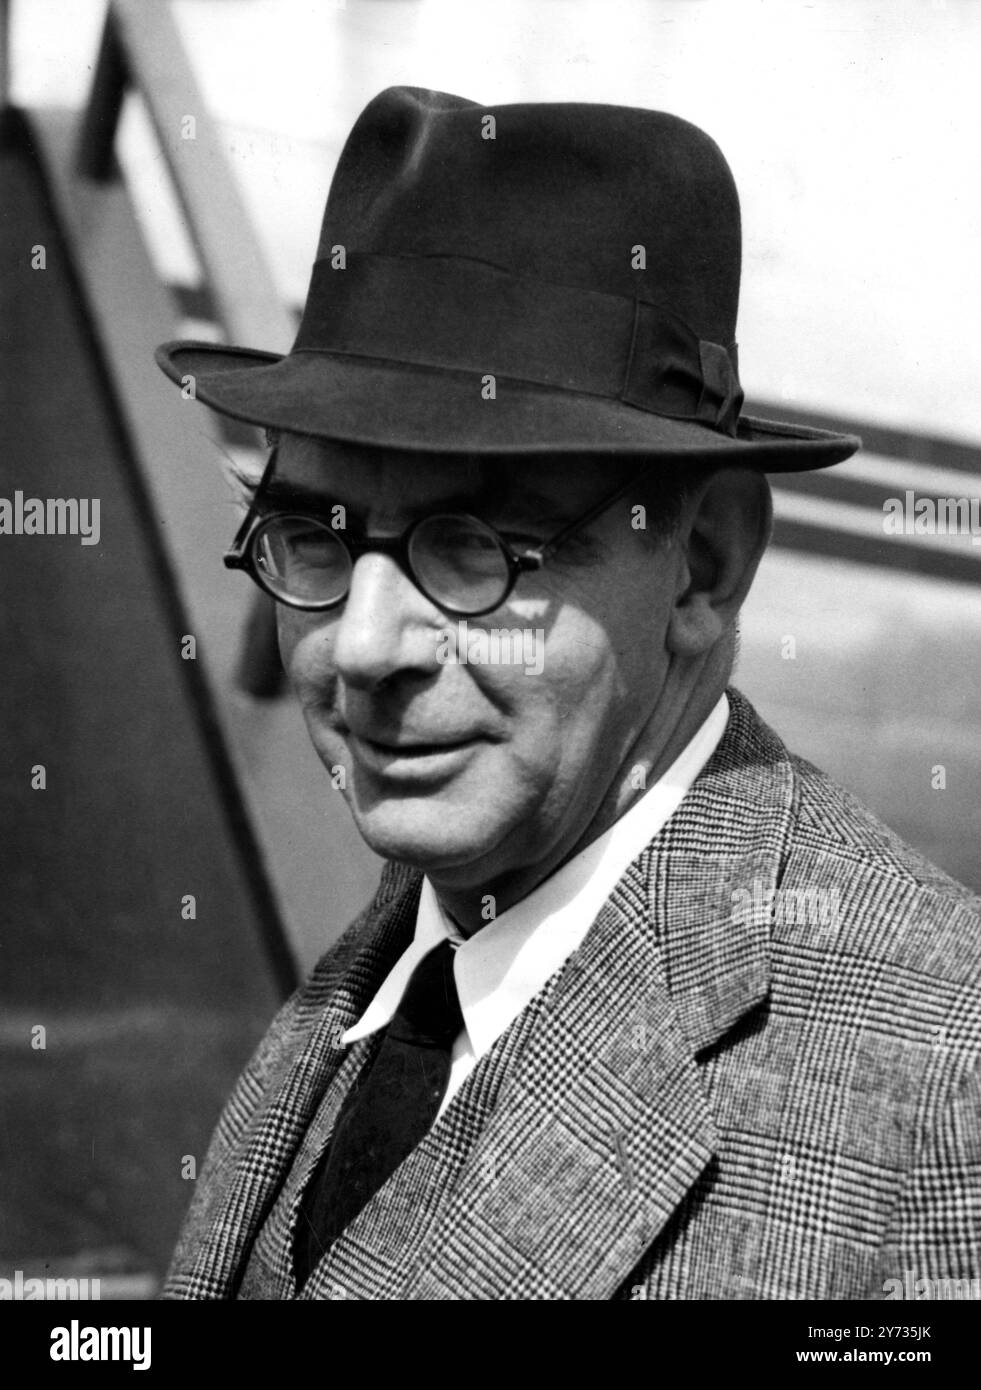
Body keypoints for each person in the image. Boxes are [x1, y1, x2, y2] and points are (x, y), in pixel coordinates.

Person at [154, 86, 981, 1300]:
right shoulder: (396, 961)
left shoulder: (944, 1087)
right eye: (314, 535)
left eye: (474, 544)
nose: (364, 645)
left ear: (701, 565)